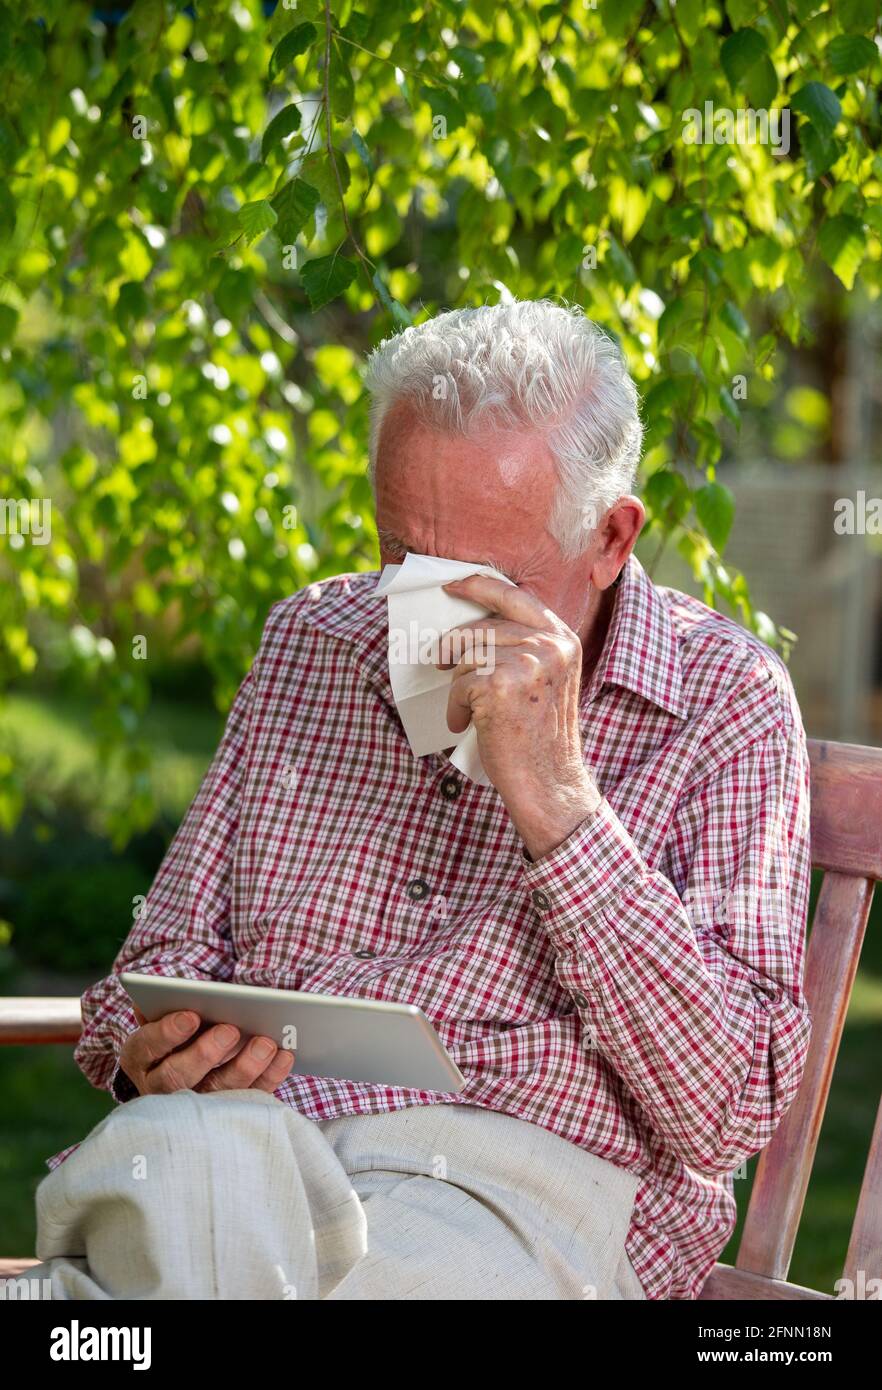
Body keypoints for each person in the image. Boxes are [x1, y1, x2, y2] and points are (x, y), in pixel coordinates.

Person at [31, 300, 812, 1301]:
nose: (423, 619)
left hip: (514, 1192)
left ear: (612, 537)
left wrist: (559, 800)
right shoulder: (314, 640)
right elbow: (153, 966)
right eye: (401, 557)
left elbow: (729, 1108)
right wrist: (157, 1058)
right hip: (241, 1152)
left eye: (480, 582)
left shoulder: (725, 701)